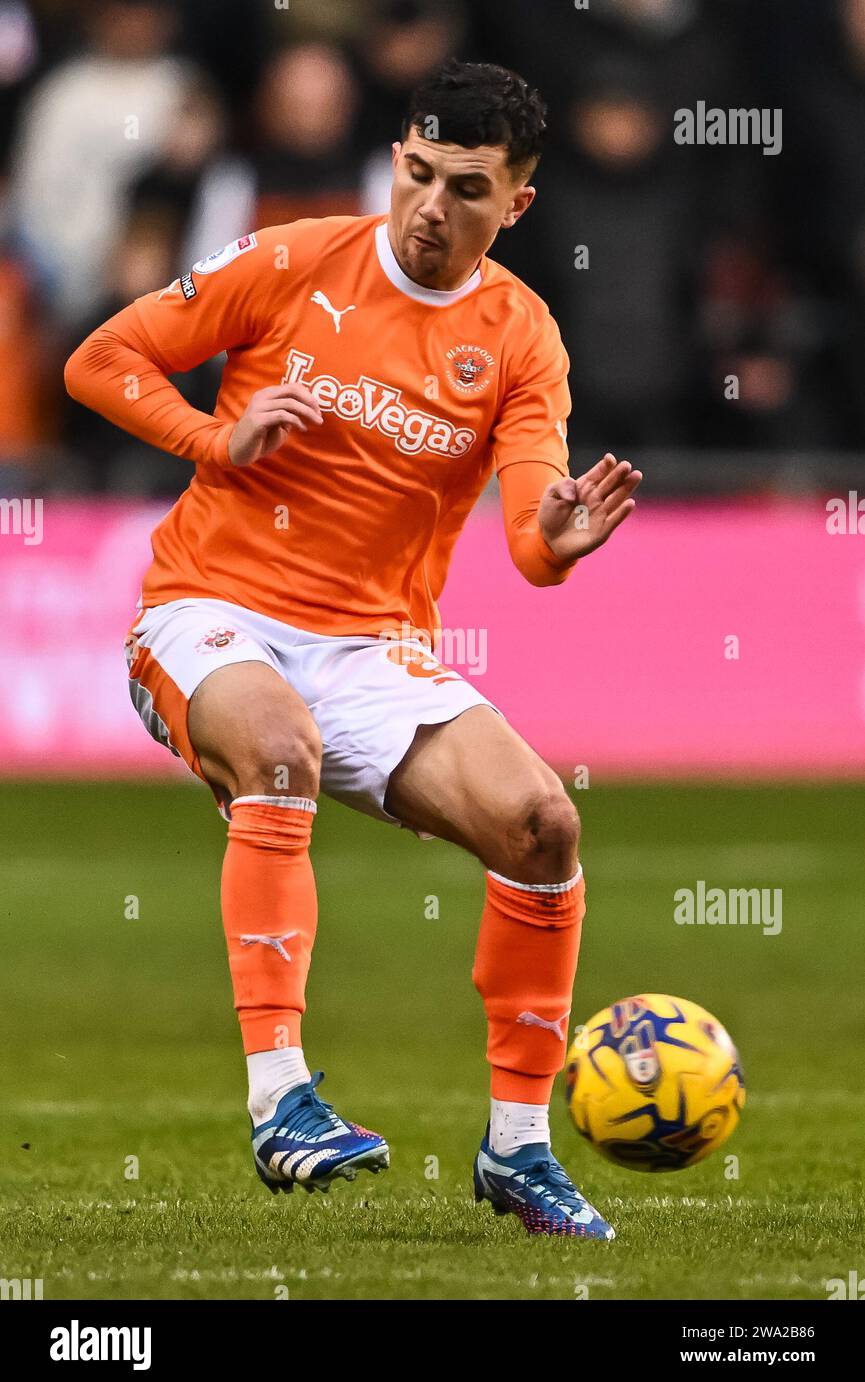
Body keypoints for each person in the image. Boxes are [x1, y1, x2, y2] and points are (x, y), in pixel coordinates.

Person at [64, 59, 641, 1239]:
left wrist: (561, 539)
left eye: (467, 188)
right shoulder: (293, 259)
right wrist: (212, 439)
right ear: (395, 159)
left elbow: (530, 542)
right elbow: (100, 360)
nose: (432, 205)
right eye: (417, 173)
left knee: (543, 826)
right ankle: (282, 1100)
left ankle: (519, 1151)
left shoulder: (521, 338)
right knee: (278, 744)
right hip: (207, 610)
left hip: (371, 645)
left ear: (515, 205)